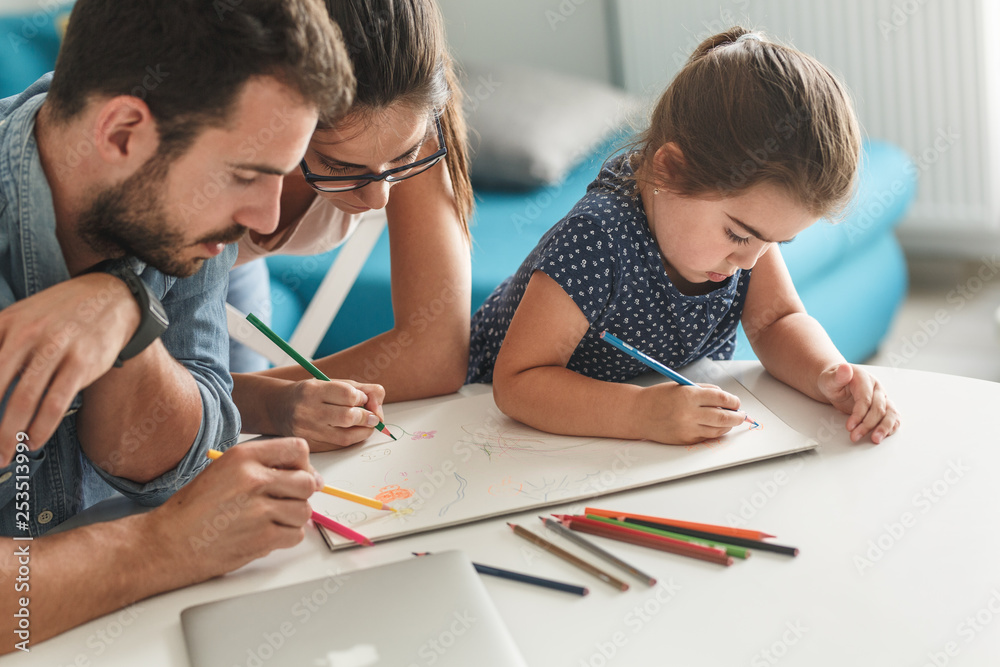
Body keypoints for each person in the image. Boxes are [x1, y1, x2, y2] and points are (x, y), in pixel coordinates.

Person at [0, 0, 353, 649]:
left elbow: (172, 458)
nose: (267, 222)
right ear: (122, 132)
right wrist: (162, 546)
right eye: (248, 175)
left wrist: (122, 302)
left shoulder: (171, 213)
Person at [467, 28, 901, 446]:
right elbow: (518, 383)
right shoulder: (596, 238)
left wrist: (829, 375)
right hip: (487, 423)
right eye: (737, 234)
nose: (750, 263)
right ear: (670, 170)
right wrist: (641, 414)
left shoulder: (748, 239)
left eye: (775, 243)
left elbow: (776, 323)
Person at [227, 0, 474, 452]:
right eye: (340, 167)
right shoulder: (214, 127)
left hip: (234, 281)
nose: (378, 198)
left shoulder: (410, 110)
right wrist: (264, 402)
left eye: (404, 158)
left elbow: (434, 355)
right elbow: (135, 408)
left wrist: (241, 397)